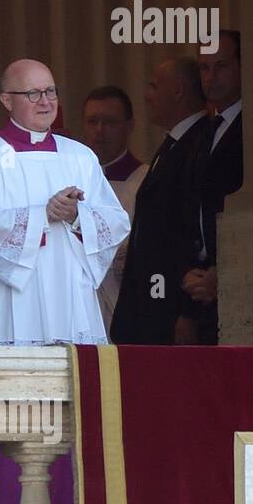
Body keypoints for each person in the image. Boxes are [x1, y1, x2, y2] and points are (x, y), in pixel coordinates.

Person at [0, 59, 130, 345]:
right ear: (6, 100)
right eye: (32, 94)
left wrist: (77, 215)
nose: (45, 102)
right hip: (6, 299)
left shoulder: (80, 157)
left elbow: (116, 221)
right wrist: (42, 215)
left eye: (51, 92)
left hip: (69, 296)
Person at [111, 58, 214, 345]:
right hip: (149, 312)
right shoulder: (172, 144)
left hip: (170, 313)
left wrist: (186, 313)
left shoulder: (200, 142)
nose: (147, 94)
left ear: (178, 90)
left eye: (154, 86)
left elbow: (193, 230)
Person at [182, 30, 245, 343]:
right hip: (199, 284)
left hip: (238, 277)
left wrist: (224, 269)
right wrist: (189, 272)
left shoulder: (252, 125)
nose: (211, 77)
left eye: (220, 66)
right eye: (204, 68)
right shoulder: (205, 132)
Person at [80, 85, 148, 330]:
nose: (99, 131)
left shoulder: (146, 180)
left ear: (129, 126)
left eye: (109, 122)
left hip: (125, 304)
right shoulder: (70, 180)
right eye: (92, 121)